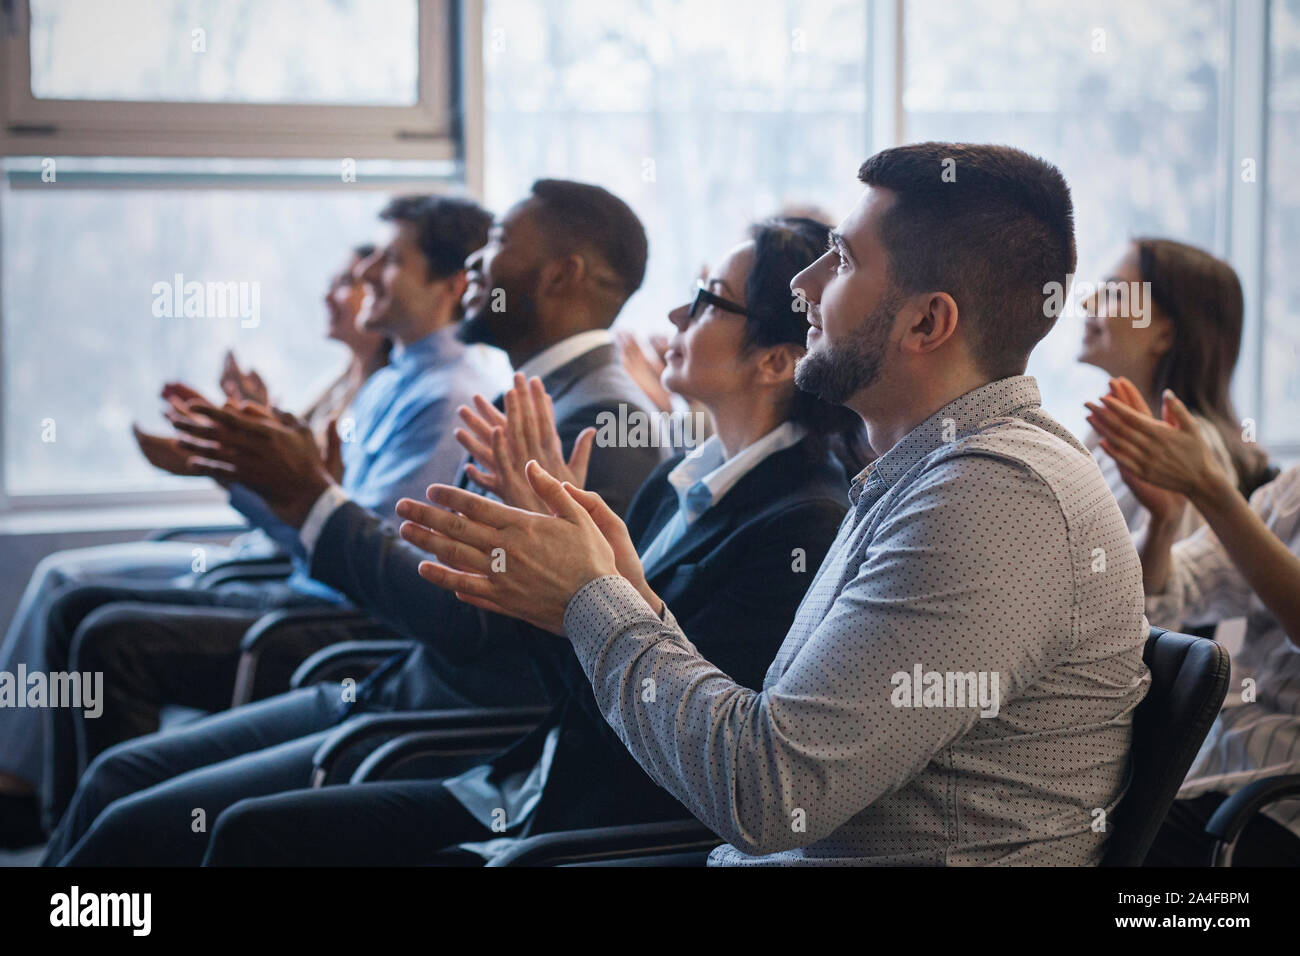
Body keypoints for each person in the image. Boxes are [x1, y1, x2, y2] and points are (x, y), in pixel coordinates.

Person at [380, 143, 1152, 866]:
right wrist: (626, 595)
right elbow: (770, 743)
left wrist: (595, 599)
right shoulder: (930, 474)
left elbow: (770, 794)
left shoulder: (993, 500)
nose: (804, 284)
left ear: (927, 321)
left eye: (842, 259)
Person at [42, 180, 668, 864]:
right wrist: (295, 486)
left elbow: (467, 624)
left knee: (134, 817)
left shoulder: (603, 423)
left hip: (450, 728)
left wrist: (309, 494)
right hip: (393, 684)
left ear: (561, 275)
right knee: (116, 777)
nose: (477, 266)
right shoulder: (540, 394)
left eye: (496, 244)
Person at [30, 195, 501, 831]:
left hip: (339, 617)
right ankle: (76, 827)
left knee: (109, 639)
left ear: (449, 286)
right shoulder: (398, 379)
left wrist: (244, 466)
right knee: (77, 611)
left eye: (390, 261)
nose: (365, 276)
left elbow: (372, 554)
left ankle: (94, 833)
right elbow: (325, 516)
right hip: (308, 589)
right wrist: (243, 460)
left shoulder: (447, 396)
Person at [0, 242, 387, 848]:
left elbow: (334, 529)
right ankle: (42, 801)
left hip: (304, 589)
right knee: (69, 592)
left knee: (86, 609)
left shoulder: (407, 394)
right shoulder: (344, 383)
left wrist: (224, 461)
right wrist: (236, 435)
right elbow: (306, 504)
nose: (335, 292)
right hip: (273, 561)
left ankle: (56, 811)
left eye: (361, 280)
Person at [1085, 376, 1300, 866]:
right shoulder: (1293, 491)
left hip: (1276, 805)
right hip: (1206, 766)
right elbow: (1175, 591)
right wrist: (1163, 520)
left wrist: (1210, 489)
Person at [1076, 238, 1270, 541]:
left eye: (1114, 293)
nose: (1086, 303)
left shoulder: (1188, 456)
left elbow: (1171, 587)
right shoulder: (1108, 435)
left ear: (1165, 334)